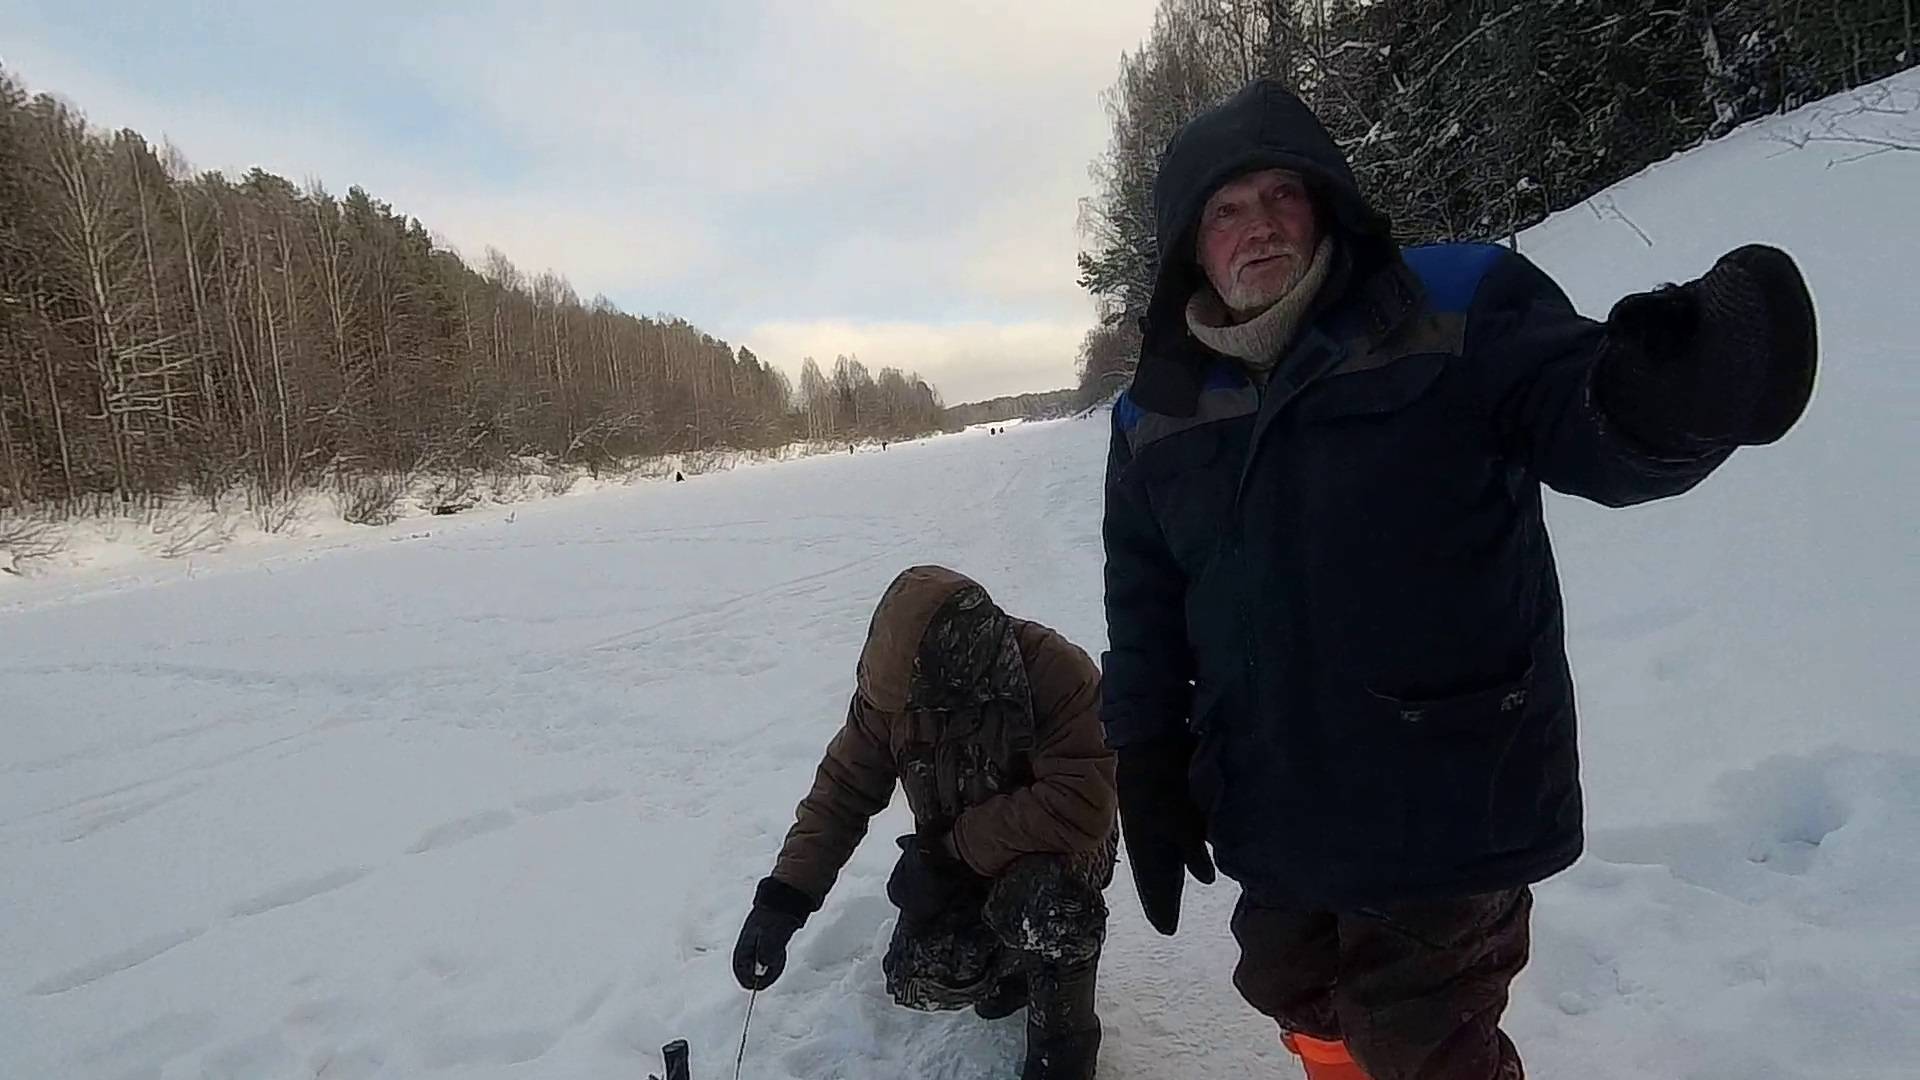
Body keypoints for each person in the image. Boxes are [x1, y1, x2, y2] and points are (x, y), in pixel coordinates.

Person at [1101, 80, 1816, 1080]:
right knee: (1290, 984)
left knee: (1416, 1031)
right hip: (1272, 792)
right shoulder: (1153, 413)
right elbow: (1144, 608)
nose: (1257, 226)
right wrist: (1145, 753)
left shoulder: (1455, 306)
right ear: (1189, 242)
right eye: (1226, 209)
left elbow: (1580, 413)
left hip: (1444, 779)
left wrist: (1671, 399)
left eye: (1280, 196)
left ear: (1325, 204)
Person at [734, 566, 1118, 1079]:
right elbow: (843, 791)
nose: (906, 716)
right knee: (922, 975)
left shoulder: (1056, 675)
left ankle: (1064, 1039)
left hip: (1062, 849)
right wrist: (784, 900)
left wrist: (951, 849)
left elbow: (1079, 806)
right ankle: (1016, 964)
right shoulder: (891, 694)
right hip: (958, 856)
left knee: (1047, 908)